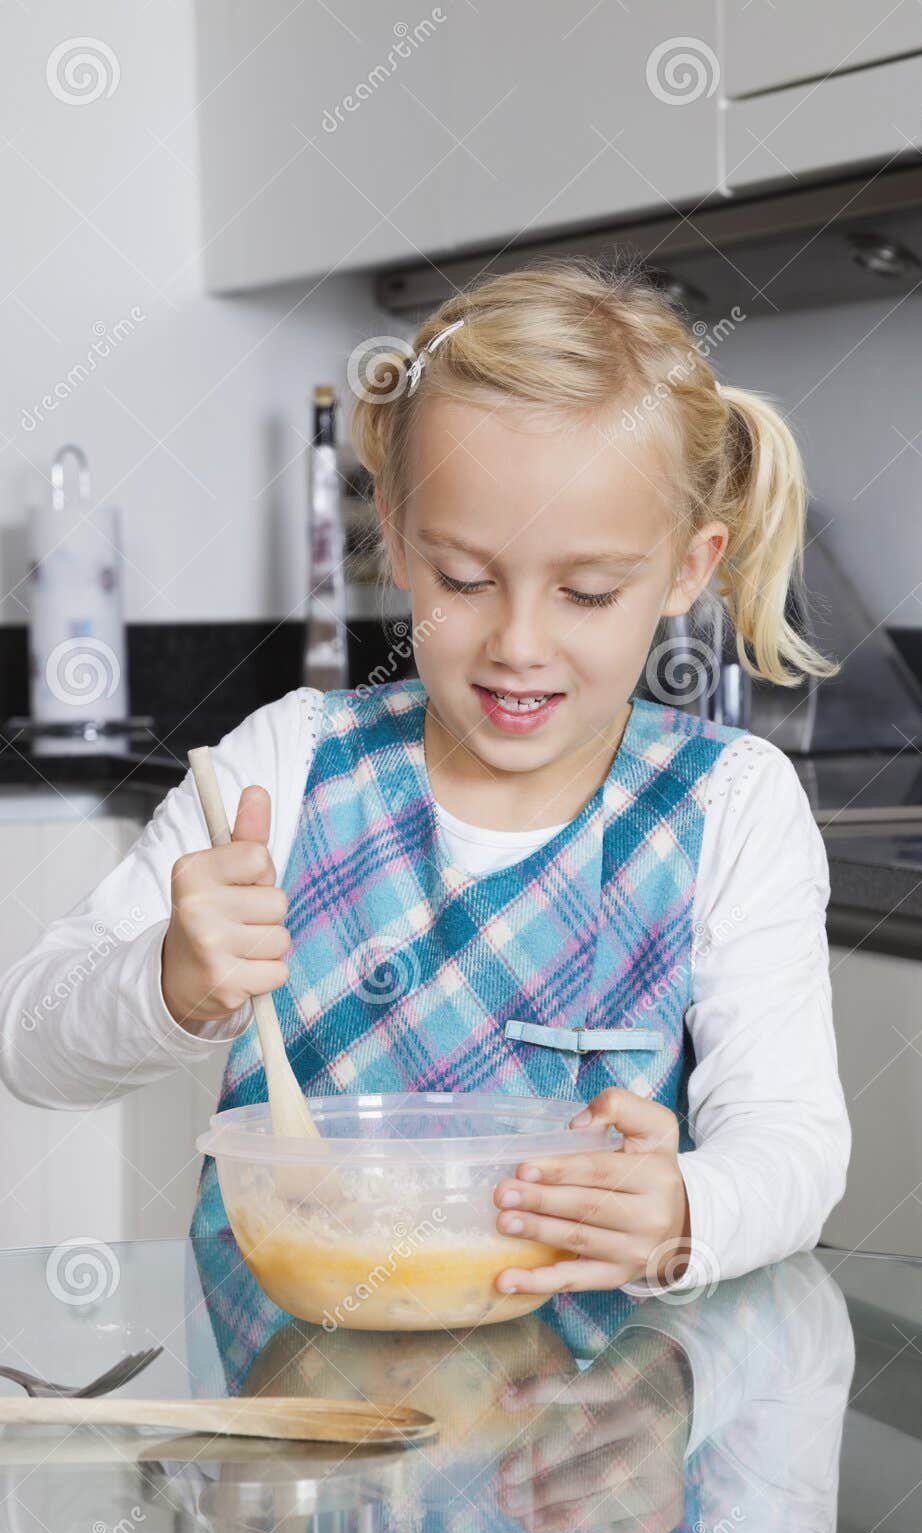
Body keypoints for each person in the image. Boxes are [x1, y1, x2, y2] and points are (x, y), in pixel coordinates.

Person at [0, 258, 850, 1298]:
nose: (518, 645)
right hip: (285, 1386)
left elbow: (792, 1145)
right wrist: (168, 979)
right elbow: (30, 1044)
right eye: (464, 579)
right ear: (397, 542)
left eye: (587, 592)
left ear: (687, 569)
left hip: (601, 1393)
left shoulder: (729, 805)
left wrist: (689, 1208)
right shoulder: (285, 766)